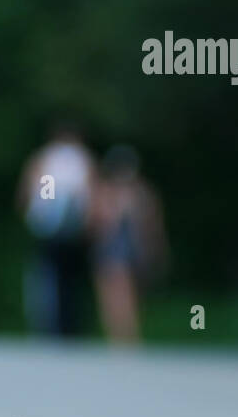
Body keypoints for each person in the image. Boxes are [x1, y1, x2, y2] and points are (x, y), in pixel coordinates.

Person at [16, 123, 95, 336]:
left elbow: (37, 193)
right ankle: (68, 326)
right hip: (72, 229)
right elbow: (87, 194)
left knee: (48, 276)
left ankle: (50, 325)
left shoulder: (45, 158)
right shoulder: (81, 159)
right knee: (69, 279)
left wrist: (36, 216)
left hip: (49, 229)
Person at [88, 144, 169, 344]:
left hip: (124, 249)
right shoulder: (131, 192)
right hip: (117, 249)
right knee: (116, 294)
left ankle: (125, 337)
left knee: (121, 294)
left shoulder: (135, 192)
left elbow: (153, 225)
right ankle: (122, 338)